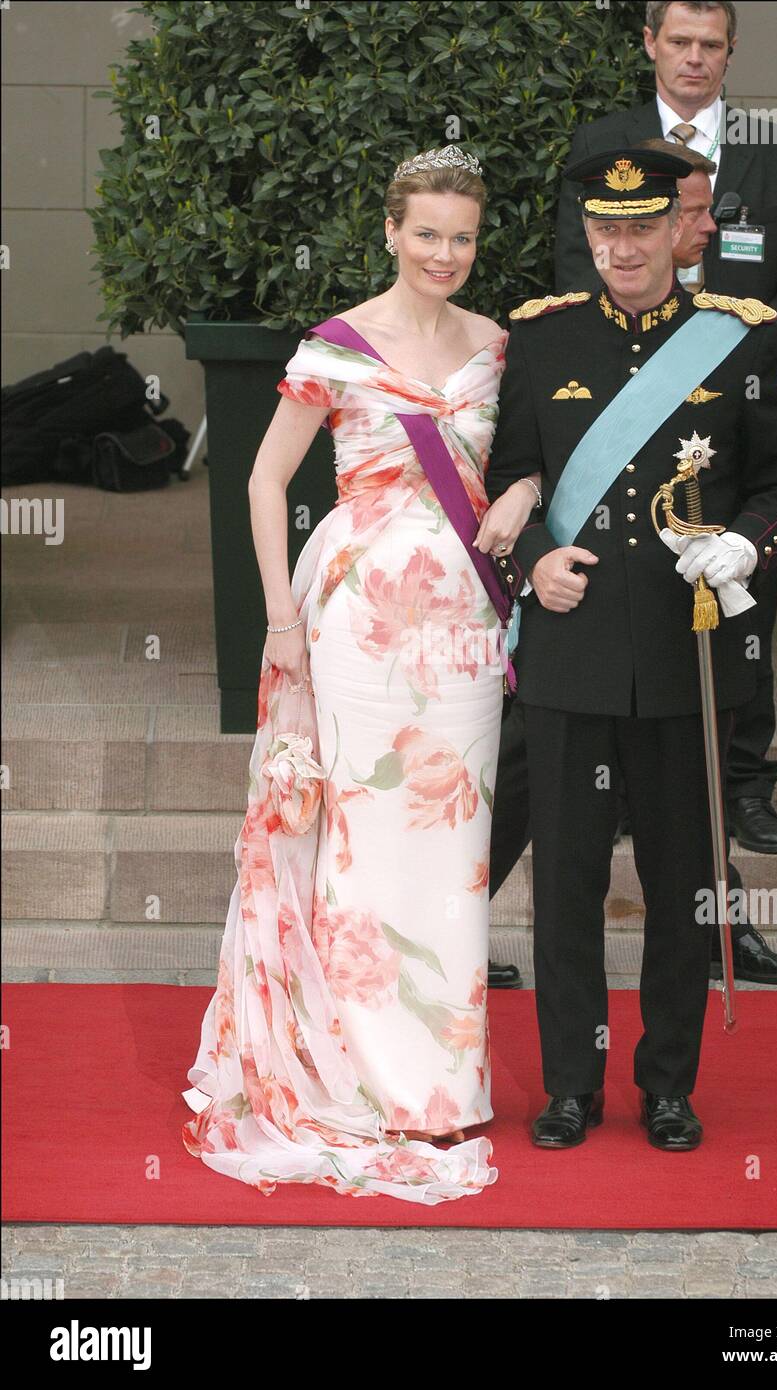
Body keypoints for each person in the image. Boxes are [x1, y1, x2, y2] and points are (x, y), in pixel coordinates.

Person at [181, 145, 534, 1203]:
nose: (442, 252)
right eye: (424, 232)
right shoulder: (333, 348)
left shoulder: (499, 348)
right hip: (355, 620)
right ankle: (356, 1075)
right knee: (356, 835)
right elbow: (261, 477)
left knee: (454, 846)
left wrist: (520, 489)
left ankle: (439, 1084)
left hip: (465, 627)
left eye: (461, 236)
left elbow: (531, 452)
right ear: (389, 231)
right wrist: (279, 621)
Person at [480, 146, 777, 1151]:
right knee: (567, 887)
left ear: (679, 228)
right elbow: (513, 475)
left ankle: (668, 1084)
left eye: (640, 226)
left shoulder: (737, 342)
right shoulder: (540, 340)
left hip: (687, 657)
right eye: (604, 229)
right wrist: (533, 562)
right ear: (586, 235)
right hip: (571, 656)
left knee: (678, 888)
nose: (621, 246)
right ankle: (570, 1086)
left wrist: (742, 543)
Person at [553, 0, 777, 857]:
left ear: (731, 54)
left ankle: (743, 783)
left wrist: (727, 356)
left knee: (744, 586)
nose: (694, 59)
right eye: (679, 41)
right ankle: (633, 782)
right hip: (624, 399)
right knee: (634, 584)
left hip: (738, 402)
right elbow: (573, 268)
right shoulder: (603, 141)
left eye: (711, 45)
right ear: (649, 44)